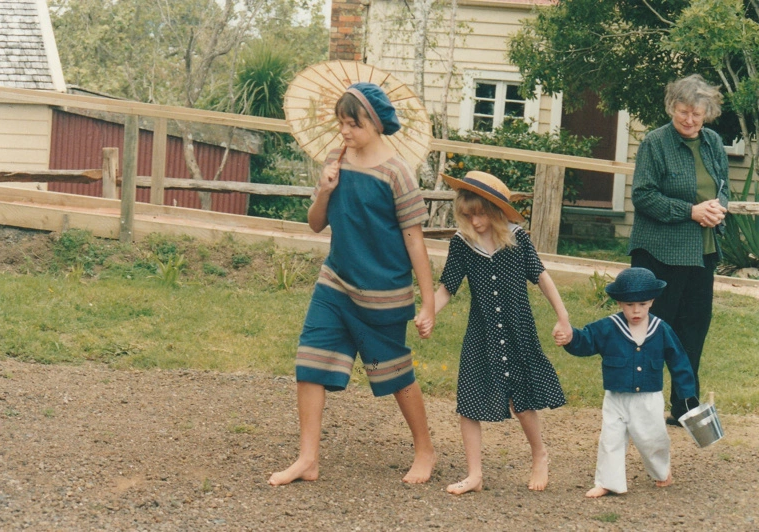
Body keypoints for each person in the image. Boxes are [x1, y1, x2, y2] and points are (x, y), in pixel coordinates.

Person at [268, 82, 437, 486]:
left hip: (382, 293)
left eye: (352, 123)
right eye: (341, 123)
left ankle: (425, 450)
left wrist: (428, 303)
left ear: (375, 124)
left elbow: (416, 242)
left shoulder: (397, 174)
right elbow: (315, 223)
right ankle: (308, 459)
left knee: (394, 374)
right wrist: (325, 189)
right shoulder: (335, 160)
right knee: (309, 364)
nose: (344, 131)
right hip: (335, 282)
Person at [434, 171, 571, 495]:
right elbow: (447, 288)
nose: (475, 221)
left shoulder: (517, 239)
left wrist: (563, 317)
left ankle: (540, 454)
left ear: (495, 211)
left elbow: (542, 278)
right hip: (480, 334)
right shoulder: (462, 244)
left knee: (521, 399)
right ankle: (475, 474)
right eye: (468, 215)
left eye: (480, 214)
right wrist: (427, 313)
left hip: (517, 329)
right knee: (468, 401)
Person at [628, 74, 729, 427]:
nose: (689, 120)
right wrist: (690, 211)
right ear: (672, 107)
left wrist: (718, 208)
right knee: (654, 332)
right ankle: (641, 407)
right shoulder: (655, 143)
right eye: (683, 111)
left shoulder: (713, 142)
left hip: (702, 254)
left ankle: (685, 407)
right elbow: (642, 195)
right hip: (659, 254)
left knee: (694, 331)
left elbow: (722, 187)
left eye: (697, 114)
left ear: (707, 113)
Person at [555, 267, 698, 498]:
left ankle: (662, 472)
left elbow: (679, 361)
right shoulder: (608, 327)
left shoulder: (661, 329)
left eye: (642, 304)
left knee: (653, 439)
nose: (636, 310)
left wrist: (687, 392)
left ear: (651, 301)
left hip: (648, 399)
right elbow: (585, 341)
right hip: (616, 398)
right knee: (610, 439)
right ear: (620, 303)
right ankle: (608, 482)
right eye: (630, 305)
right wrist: (570, 337)